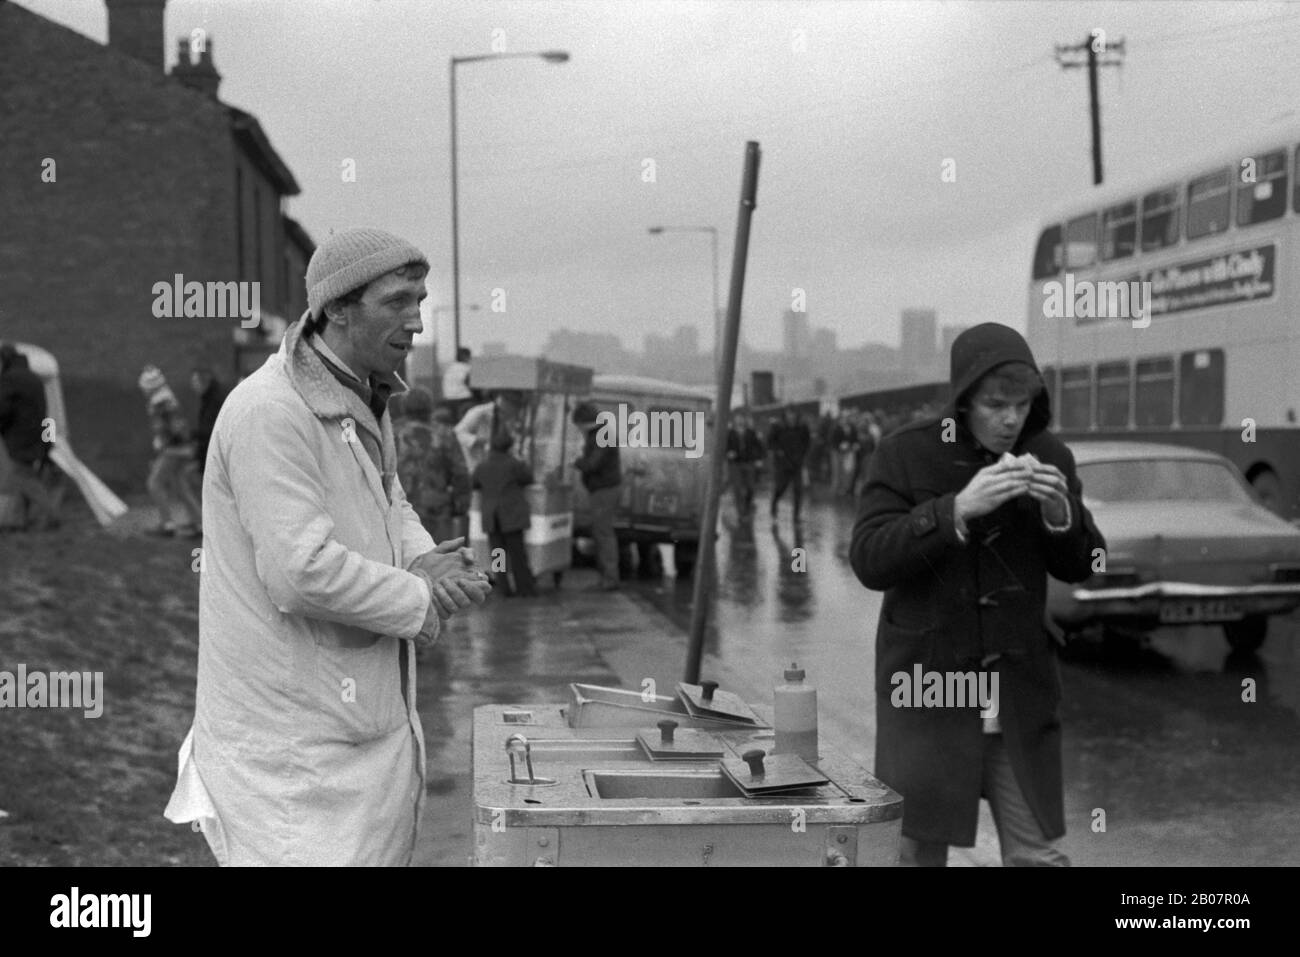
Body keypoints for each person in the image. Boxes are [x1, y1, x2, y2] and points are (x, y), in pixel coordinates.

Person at [164, 227, 493, 866]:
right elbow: (298, 571)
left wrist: (421, 554)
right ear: (337, 308)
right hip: (294, 759)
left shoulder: (358, 395)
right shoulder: (270, 412)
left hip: (346, 742)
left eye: (420, 301)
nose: (417, 322)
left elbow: (387, 501)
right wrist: (420, 594)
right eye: (397, 302)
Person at [850, 322, 1105, 867]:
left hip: (1018, 696)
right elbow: (869, 560)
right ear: (964, 401)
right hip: (929, 695)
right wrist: (954, 511)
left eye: (1021, 404)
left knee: (1038, 856)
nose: (1011, 419)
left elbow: (1084, 563)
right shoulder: (905, 453)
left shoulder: (1050, 455)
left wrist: (1062, 517)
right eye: (995, 404)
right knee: (915, 851)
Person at [395, 386, 471, 545]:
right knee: (441, 559)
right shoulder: (444, 433)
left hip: (400, 509)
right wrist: (461, 504)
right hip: (437, 509)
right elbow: (461, 472)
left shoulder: (393, 433)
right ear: (430, 407)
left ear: (404, 407)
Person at [138, 365, 202, 537]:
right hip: (182, 448)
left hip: (174, 450)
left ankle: (167, 524)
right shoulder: (167, 398)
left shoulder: (160, 403)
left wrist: (162, 444)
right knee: (180, 485)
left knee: (155, 483)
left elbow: (171, 429)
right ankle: (199, 522)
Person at [472, 428, 537, 597]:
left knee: (498, 555)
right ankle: (525, 590)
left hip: (492, 517)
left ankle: (504, 589)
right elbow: (529, 478)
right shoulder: (515, 464)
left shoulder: (482, 466)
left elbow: (474, 484)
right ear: (510, 446)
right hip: (512, 515)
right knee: (518, 555)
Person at [0, 343, 58, 531]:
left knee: (23, 478)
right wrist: (48, 442)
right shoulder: (33, 378)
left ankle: (51, 515)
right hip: (37, 436)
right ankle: (17, 521)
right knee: (24, 476)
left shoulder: (10, 380)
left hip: (19, 437)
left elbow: (3, 409)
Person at [573, 401, 621, 590]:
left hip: (604, 490)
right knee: (601, 533)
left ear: (585, 422)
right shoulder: (601, 433)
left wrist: (577, 462)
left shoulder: (602, 435)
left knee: (603, 534)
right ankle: (606, 577)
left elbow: (593, 464)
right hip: (602, 489)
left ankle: (609, 579)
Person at [455, 388, 524, 474]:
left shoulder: (513, 418)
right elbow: (458, 432)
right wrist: (477, 441)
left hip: (501, 466)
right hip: (477, 464)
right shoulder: (479, 412)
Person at [767, 406, 810, 522]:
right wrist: (778, 451)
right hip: (783, 463)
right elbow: (771, 442)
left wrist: (802, 455)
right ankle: (774, 503)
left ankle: (796, 516)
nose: (791, 416)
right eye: (789, 414)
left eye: (793, 414)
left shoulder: (802, 427)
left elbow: (807, 442)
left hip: (797, 463)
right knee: (781, 487)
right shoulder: (778, 427)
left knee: (798, 489)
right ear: (785, 415)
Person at [189, 365, 228, 475]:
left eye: (195, 381)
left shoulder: (214, 400)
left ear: (203, 382)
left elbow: (211, 429)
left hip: (211, 454)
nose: (193, 386)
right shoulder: (209, 398)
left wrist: (193, 434)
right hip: (208, 452)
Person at [725, 412, 764, 516]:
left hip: (748, 462)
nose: (739, 420)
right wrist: (728, 453)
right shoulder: (730, 433)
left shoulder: (751, 432)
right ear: (734, 420)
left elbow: (759, 446)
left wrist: (759, 459)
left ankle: (747, 506)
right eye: (737, 418)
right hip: (735, 463)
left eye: (741, 418)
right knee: (737, 488)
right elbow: (724, 447)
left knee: (751, 487)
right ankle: (740, 511)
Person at [441, 346, 473, 421]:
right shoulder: (467, 368)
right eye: (469, 357)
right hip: (464, 400)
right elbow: (470, 383)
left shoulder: (450, 368)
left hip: (448, 399)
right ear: (465, 357)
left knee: (454, 421)